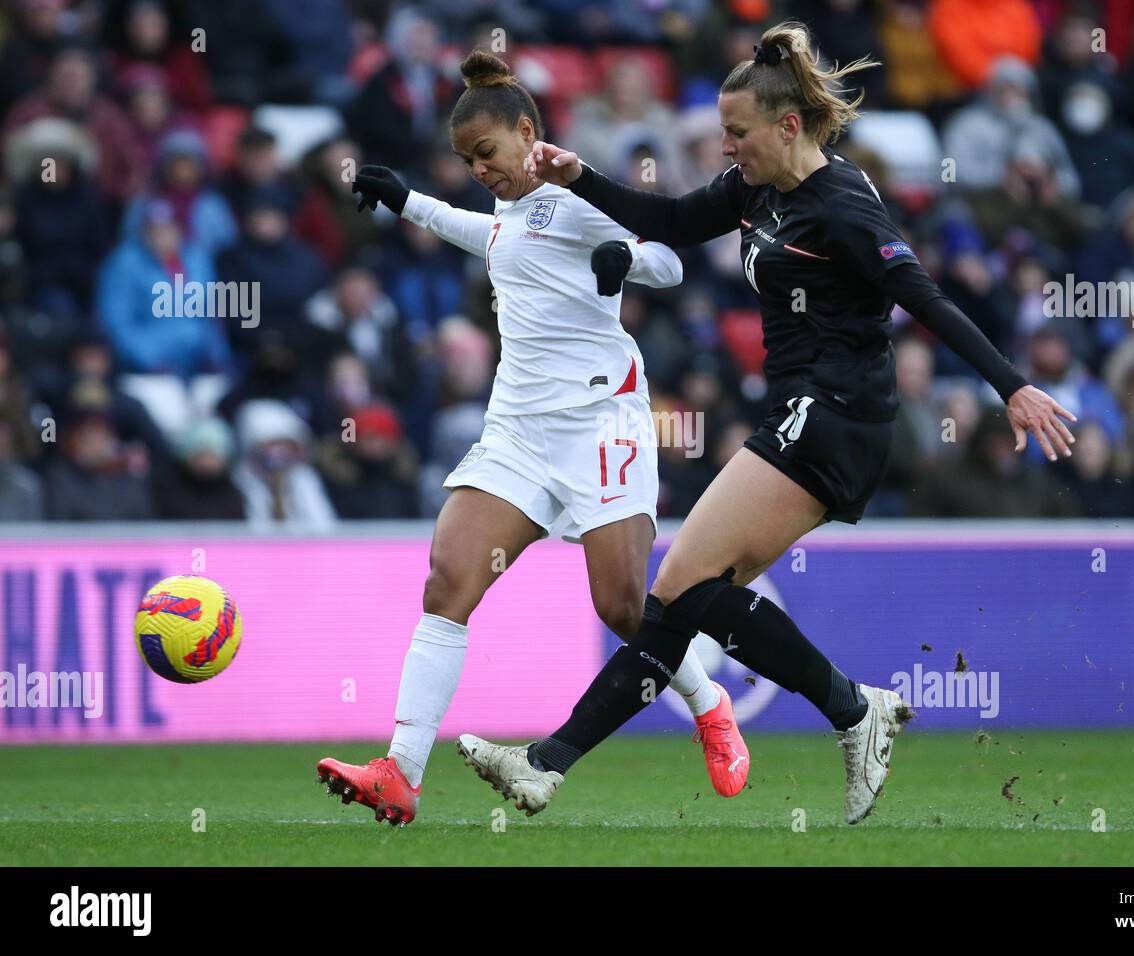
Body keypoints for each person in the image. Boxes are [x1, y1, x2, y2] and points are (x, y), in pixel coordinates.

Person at [458, 21, 1077, 825]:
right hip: (799, 411)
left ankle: (855, 711)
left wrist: (1011, 385)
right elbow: (673, 222)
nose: (725, 147)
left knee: (681, 586)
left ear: (788, 127)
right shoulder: (758, 190)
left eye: (737, 133)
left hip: (840, 417)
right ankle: (548, 767)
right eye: (722, 132)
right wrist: (582, 178)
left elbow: (924, 296)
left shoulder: (844, 207)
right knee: (679, 605)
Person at [316, 51, 750, 828]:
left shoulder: (576, 193)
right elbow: (484, 234)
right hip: (518, 429)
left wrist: (626, 262)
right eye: (466, 161)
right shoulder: (512, 212)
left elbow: (669, 261)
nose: (480, 170)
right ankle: (399, 771)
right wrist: (405, 199)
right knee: (449, 580)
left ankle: (711, 704)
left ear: (527, 132)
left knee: (623, 607)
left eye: (486, 154)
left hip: (601, 423)